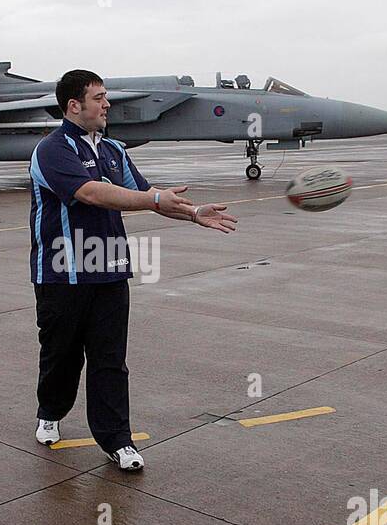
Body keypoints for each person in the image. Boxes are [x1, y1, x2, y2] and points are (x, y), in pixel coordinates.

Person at [29, 70, 237, 470]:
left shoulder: (114, 151)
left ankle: (117, 440)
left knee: (110, 359)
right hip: (62, 274)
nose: (107, 105)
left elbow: (147, 197)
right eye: (99, 98)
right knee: (62, 356)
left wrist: (193, 213)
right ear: (75, 106)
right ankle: (50, 413)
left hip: (109, 270)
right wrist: (153, 198)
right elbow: (91, 193)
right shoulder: (52, 150)